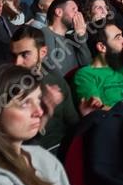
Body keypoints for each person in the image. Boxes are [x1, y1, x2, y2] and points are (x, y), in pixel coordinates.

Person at [9, 26, 80, 157]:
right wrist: (47, 110)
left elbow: (72, 121)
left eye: (25, 55)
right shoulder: (6, 85)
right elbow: (15, 139)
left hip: (62, 146)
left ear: (42, 52)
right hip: (30, 153)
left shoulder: (55, 80)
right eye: (13, 55)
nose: (17, 62)